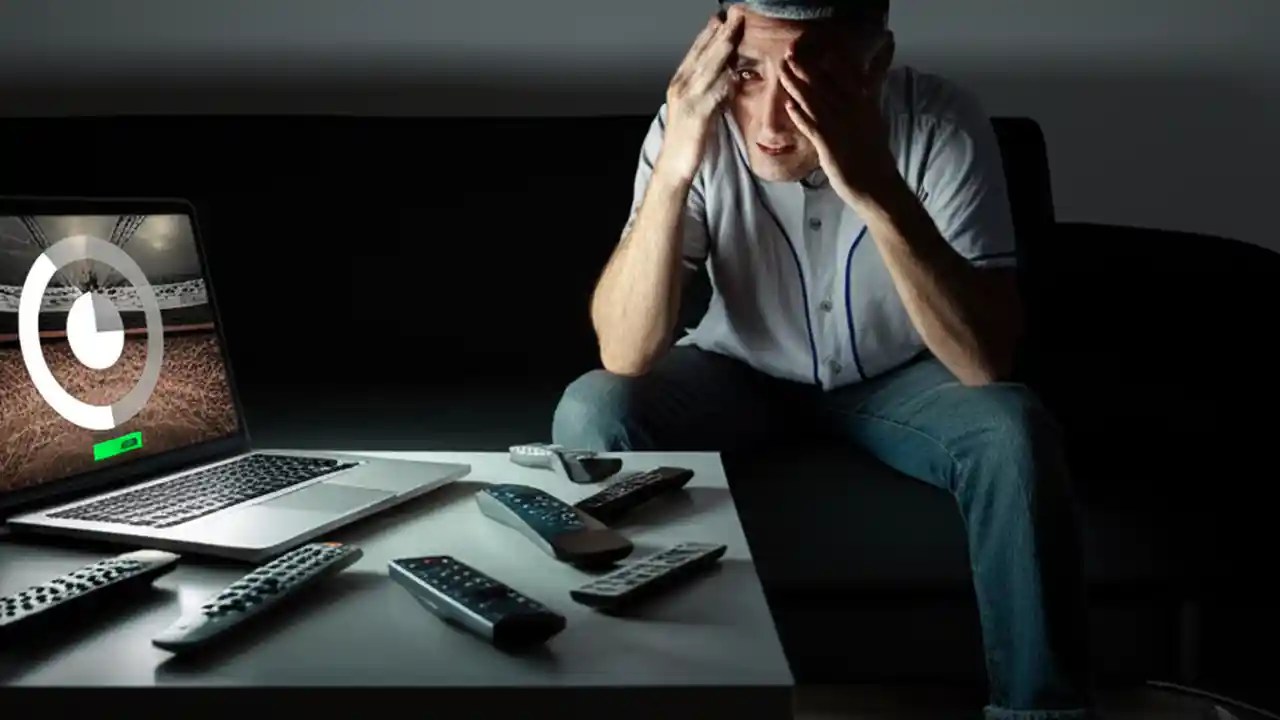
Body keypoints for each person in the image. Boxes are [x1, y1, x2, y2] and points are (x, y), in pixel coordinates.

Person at [552, 1, 1094, 718]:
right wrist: (677, 163)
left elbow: (983, 361)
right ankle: (633, 699)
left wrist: (875, 185)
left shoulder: (940, 121)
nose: (775, 121)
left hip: (901, 380)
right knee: (594, 407)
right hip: (737, 372)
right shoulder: (692, 120)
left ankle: (1039, 713)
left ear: (875, 66)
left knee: (1012, 428)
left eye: (814, 80)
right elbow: (625, 350)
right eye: (748, 72)